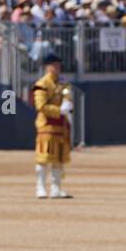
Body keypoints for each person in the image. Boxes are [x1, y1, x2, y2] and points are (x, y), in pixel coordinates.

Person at [33, 52, 72, 198]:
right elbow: (40, 106)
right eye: (54, 65)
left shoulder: (63, 84)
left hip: (61, 125)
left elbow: (68, 96)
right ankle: (40, 187)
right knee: (43, 158)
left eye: (58, 65)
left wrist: (68, 103)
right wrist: (59, 110)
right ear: (47, 67)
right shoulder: (41, 84)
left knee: (59, 158)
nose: (57, 67)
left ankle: (56, 188)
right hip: (47, 125)